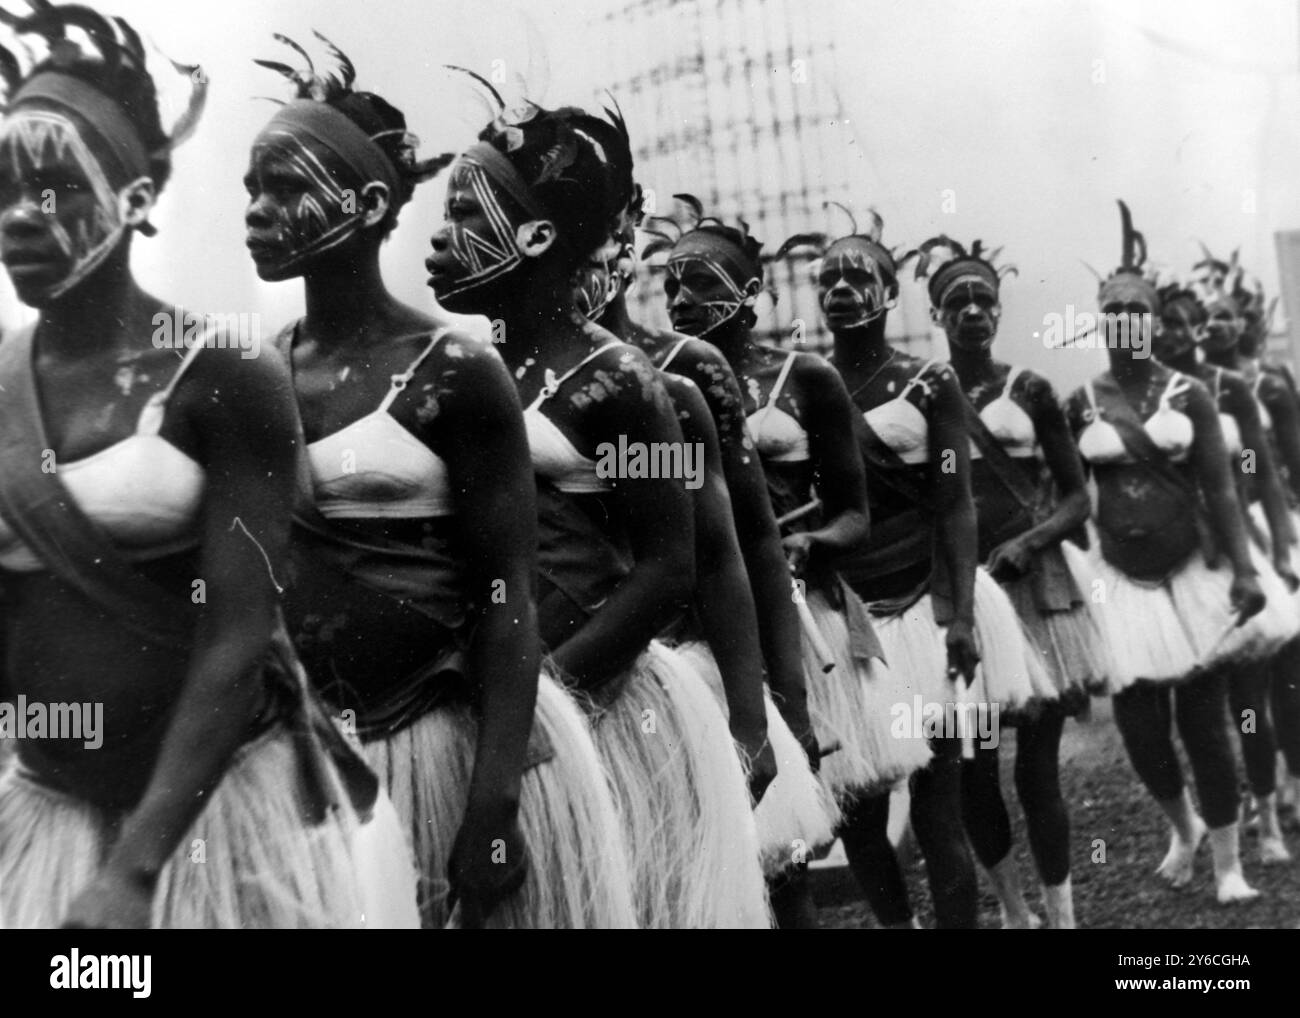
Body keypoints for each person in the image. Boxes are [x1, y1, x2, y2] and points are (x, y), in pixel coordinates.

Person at [0, 3, 395, 929]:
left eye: (54, 186)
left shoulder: (222, 376)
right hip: (47, 807)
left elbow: (237, 636)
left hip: (213, 831)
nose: (21, 216)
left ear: (138, 195)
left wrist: (137, 872)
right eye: (3, 189)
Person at [246, 39, 636, 928]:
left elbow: (508, 596)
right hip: (307, 755)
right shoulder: (255, 376)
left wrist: (494, 800)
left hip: (437, 742)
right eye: (249, 190)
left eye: (285, 186)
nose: (258, 213)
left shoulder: (456, 370)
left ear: (368, 202)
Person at [427, 91, 769, 928]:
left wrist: (542, 699)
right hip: (480, 707)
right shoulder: (448, 374)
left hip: (604, 712)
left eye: (467, 213)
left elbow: (670, 570)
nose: (437, 236)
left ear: (539, 237)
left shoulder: (617, 383)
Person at [577, 124, 837, 927]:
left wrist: (772, 706)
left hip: (700, 665)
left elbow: (749, 543)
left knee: (760, 879)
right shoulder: (511, 376)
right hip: (585, 682)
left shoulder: (686, 367)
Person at [659, 200, 946, 925]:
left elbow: (855, 511)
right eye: (669, 286)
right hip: (709, 620)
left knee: (853, 804)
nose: (679, 300)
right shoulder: (657, 381)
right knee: (767, 836)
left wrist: (810, 541)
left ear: (751, 292)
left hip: (807, 616)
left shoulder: (805, 377)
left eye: (698, 283)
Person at [1063, 202, 1267, 903]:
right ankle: (1182, 827)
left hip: (1192, 570)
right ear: (1100, 321)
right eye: (1112, 311)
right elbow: (1063, 494)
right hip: (1119, 576)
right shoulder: (1080, 402)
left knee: (1205, 722)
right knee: (1139, 724)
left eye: (1137, 310)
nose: (1126, 322)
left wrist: (1244, 568)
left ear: (1152, 319)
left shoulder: (1194, 396)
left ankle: (1228, 863)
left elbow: (1222, 488)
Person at [917, 237, 1108, 928]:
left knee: (1037, 768)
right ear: (936, 313)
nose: (973, 312)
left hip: (1034, 589)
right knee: (973, 768)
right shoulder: (925, 390)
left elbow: (1077, 497)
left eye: (984, 300)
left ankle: (1061, 914)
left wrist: (1031, 541)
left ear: (999, 311)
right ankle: (1012, 908)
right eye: (957, 301)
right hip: (959, 594)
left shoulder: (1029, 389)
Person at [1153, 279, 1299, 863]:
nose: (1190, 331)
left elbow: (1261, 469)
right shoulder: (1149, 395)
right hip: (1179, 555)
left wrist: (1280, 548)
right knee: (1194, 704)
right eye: (1173, 322)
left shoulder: (1236, 387)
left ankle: (1268, 815)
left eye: (1199, 321)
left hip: (1242, 539)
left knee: (1255, 692)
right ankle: (1205, 822)